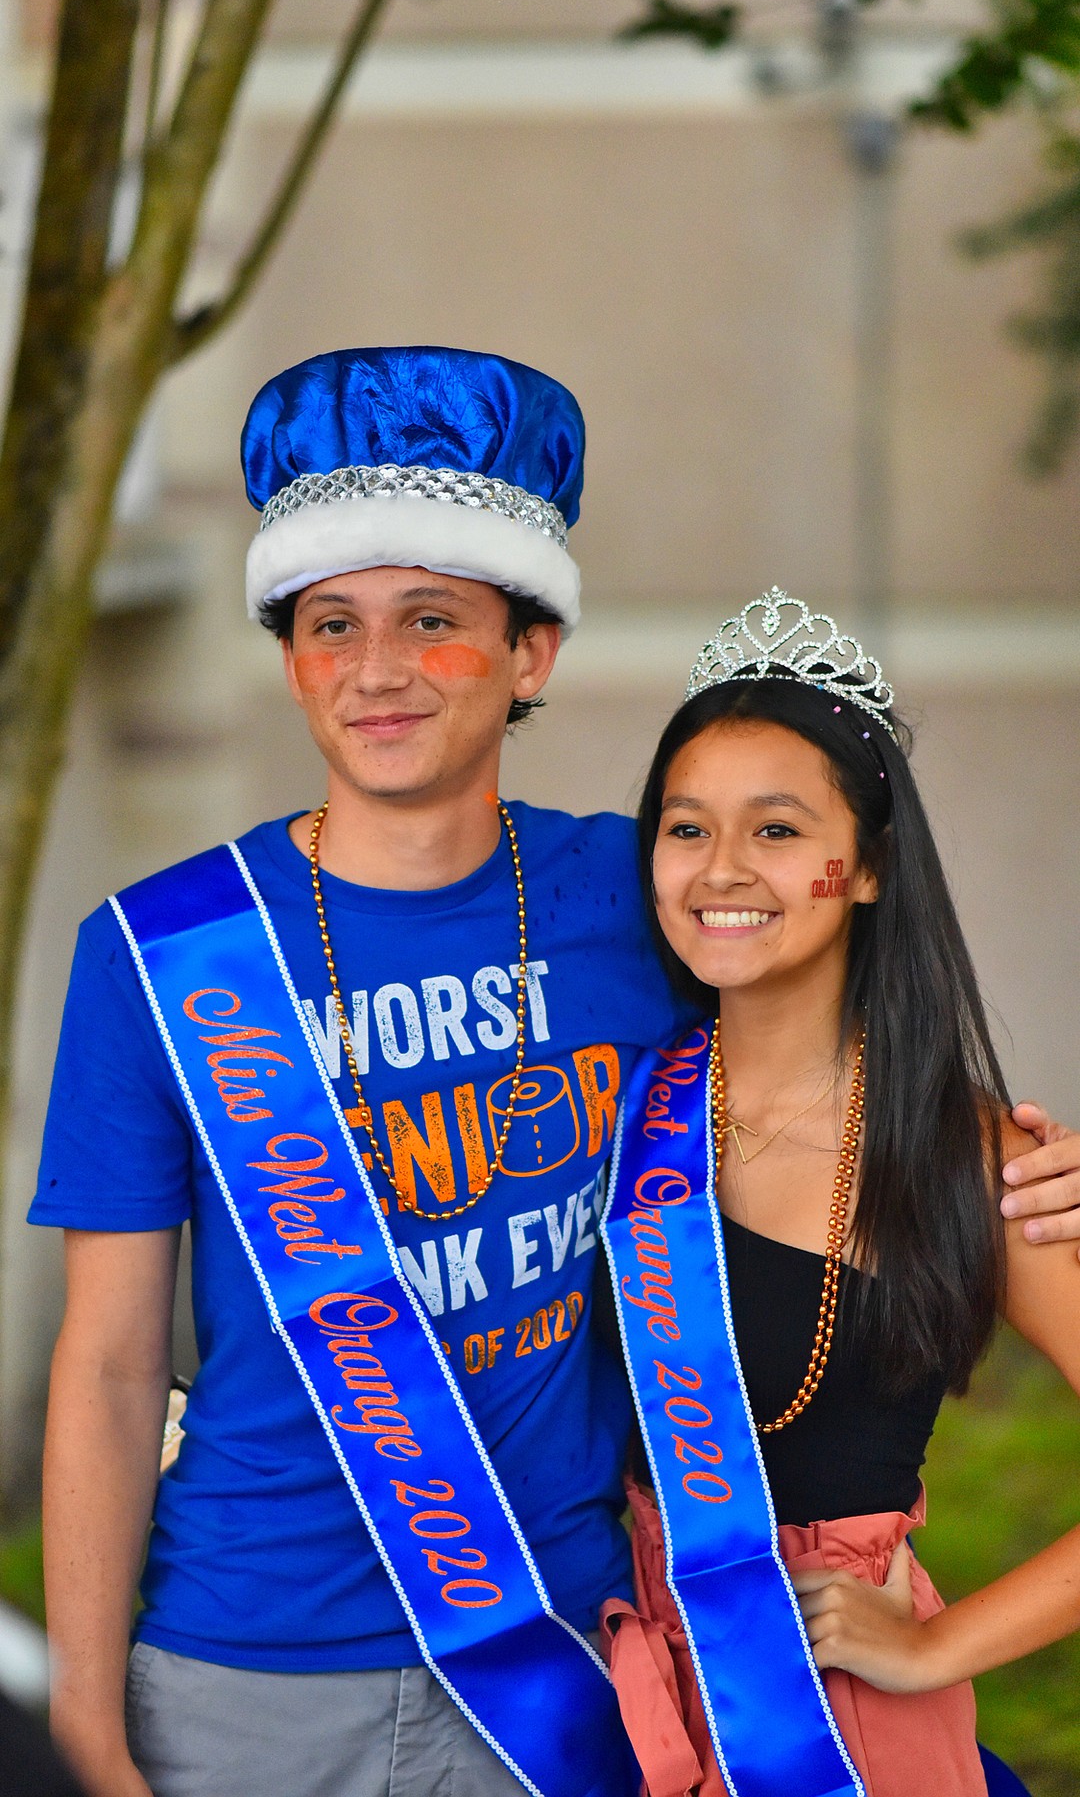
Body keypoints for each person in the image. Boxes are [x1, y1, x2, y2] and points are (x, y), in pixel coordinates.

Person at [29, 358, 1080, 1797]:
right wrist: (86, 1721)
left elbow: (832, 1013)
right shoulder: (164, 956)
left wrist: (1020, 1164)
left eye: (434, 621)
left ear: (532, 653)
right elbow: (105, 1367)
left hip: (567, 1672)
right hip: (243, 1676)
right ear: (291, 657)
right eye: (332, 624)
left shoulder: (631, 898)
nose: (378, 670)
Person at [600, 590, 1080, 1797]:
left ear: (864, 868)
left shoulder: (961, 1153)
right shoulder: (615, 1108)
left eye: (776, 830)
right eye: (686, 827)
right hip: (629, 1690)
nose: (721, 869)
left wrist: (936, 1646)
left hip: (834, 1714)